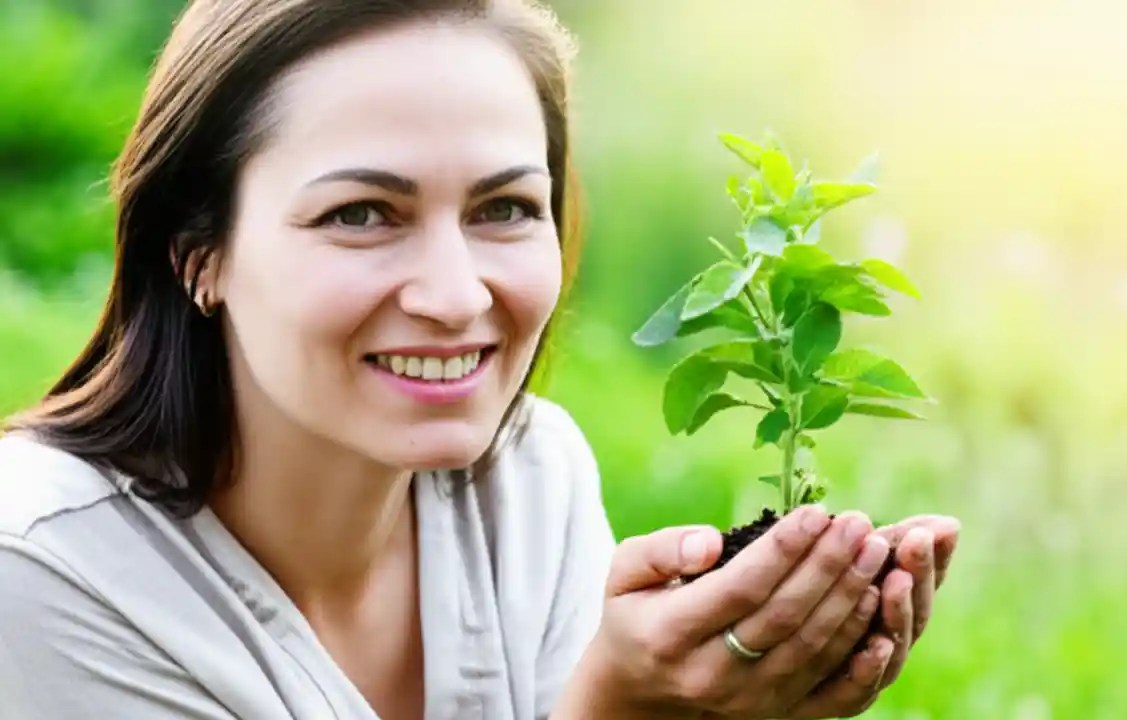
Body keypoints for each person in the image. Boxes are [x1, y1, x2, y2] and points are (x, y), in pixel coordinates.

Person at [0, 1, 961, 718]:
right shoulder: (40, 572)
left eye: (503, 209)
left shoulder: (528, 482)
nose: (457, 296)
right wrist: (618, 709)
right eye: (361, 215)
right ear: (196, 252)